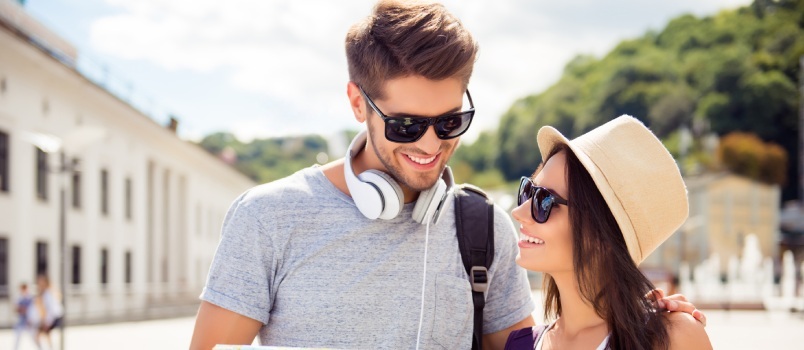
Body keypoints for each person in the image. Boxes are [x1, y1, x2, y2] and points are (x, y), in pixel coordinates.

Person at [190, 1, 703, 349]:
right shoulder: (269, 218)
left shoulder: (486, 231)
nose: (431, 145)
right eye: (406, 125)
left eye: (450, 121)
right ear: (356, 103)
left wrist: (644, 318)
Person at [505, 115, 712, 349]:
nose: (519, 212)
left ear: (602, 234)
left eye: (543, 201)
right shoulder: (519, 344)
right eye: (528, 192)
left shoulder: (672, 338)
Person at [31, 274, 64, 350]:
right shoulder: (43, 293)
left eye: (40, 282)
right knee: (43, 335)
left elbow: (51, 309)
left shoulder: (48, 293)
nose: (39, 284)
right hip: (48, 318)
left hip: (53, 318)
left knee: (40, 335)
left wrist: (47, 322)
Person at [13, 283, 34, 350]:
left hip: (29, 321)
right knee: (17, 338)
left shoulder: (30, 298)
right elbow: (16, 309)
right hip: (21, 321)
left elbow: (30, 310)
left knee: (34, 338)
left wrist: (23, 309)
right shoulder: (19, 298)